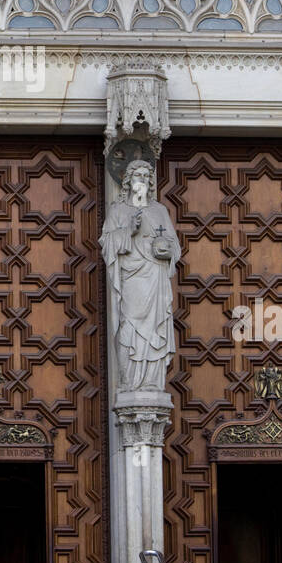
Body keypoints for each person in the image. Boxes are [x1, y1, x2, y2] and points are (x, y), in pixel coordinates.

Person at [100, 158, 181, 391]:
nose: (143, 180)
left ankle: (152, 383)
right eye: (138, 176)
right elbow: (106, 243)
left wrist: (165, 248)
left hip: (155, 277)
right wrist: (129, 231)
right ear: (128, 181)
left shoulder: (159, 211)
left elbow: (175, 247)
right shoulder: (118, 210)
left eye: (146, 176)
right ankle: (130, 383)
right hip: (132, 279)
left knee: (155, 327)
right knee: (130, 327)